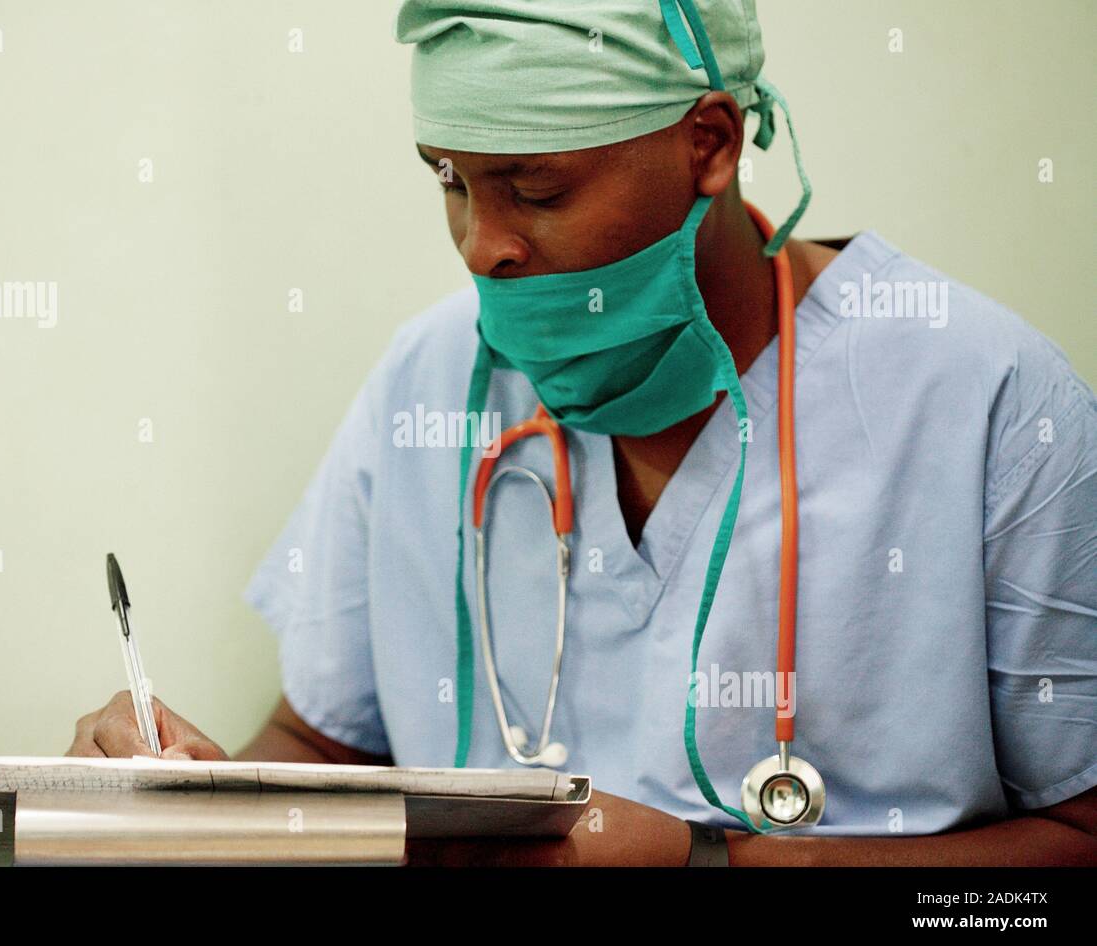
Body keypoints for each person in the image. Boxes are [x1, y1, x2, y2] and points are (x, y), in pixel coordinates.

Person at [69, 0, 1097, 865]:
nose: (483, 246)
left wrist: (706, 861)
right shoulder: (431, 384)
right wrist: (187, 796)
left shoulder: (986, 402)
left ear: (708, 143)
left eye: (536, 186)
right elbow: (323, 739)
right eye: (450, 180)